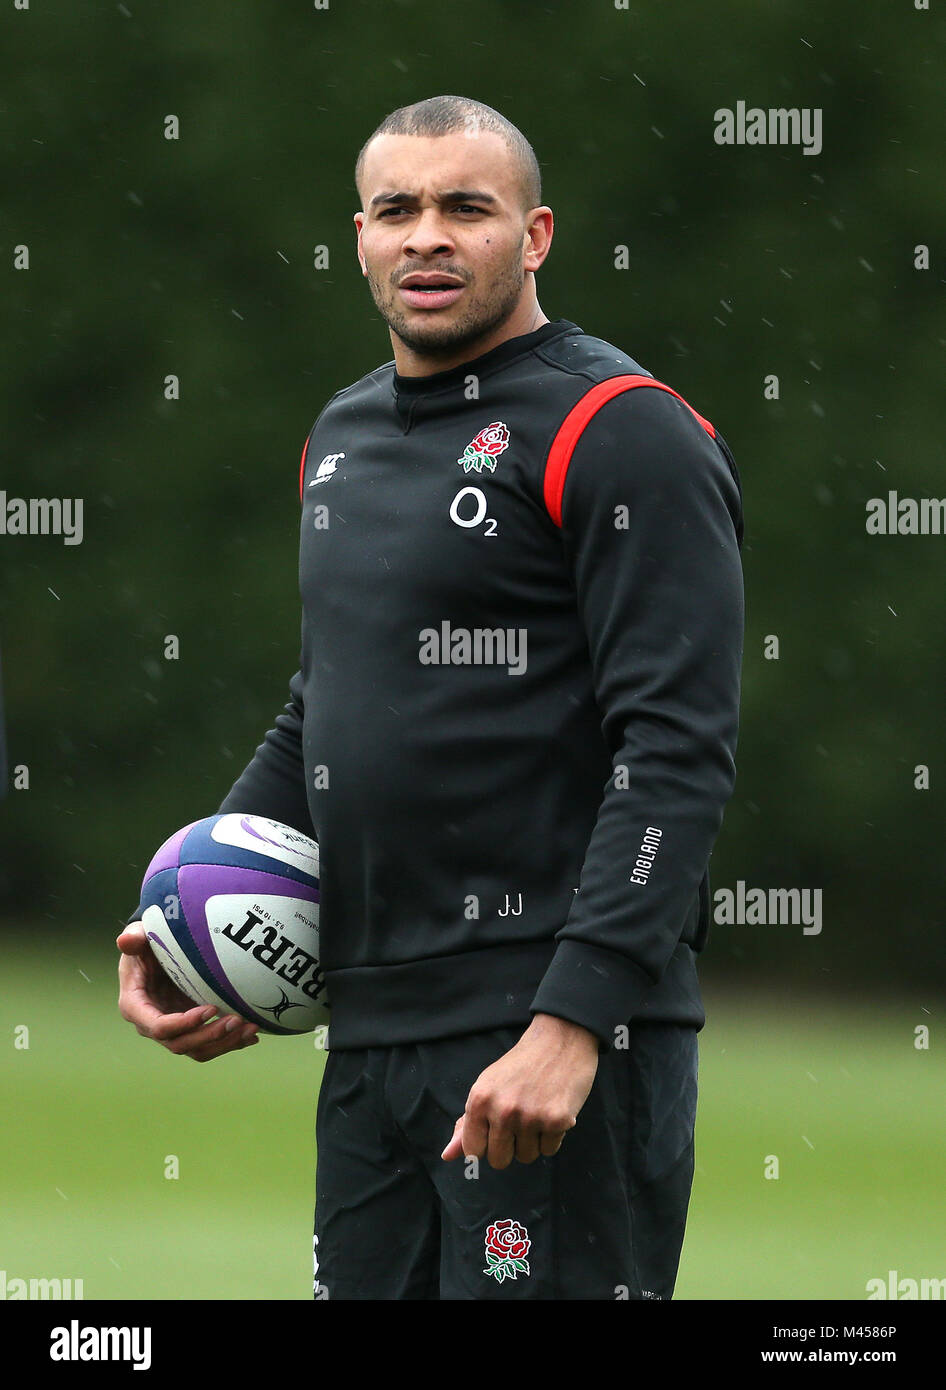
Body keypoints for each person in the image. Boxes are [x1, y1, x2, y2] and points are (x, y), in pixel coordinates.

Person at [118, 93, 745, 1301]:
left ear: (538, 233)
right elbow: (326, 708)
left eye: (468, 206)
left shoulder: (620, 433)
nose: (428, 237)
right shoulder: (341, 434)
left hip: (552, 1042)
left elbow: (673, 748)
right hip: (369, 1038)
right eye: (396, 210)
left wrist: (570, 1026)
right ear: (358, 234)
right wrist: (180, 922)